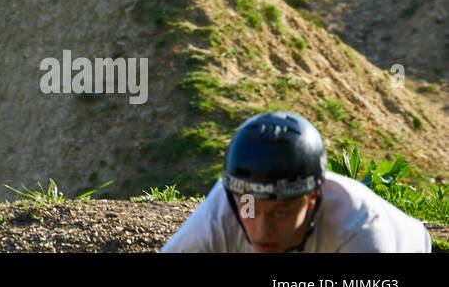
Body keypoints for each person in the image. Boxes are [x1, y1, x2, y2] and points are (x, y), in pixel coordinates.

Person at [162, 111, 431, 252]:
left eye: (281, 212)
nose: (262, 230)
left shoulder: (360, 233)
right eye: (250, 210)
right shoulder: (216, 219)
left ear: (313, 199)